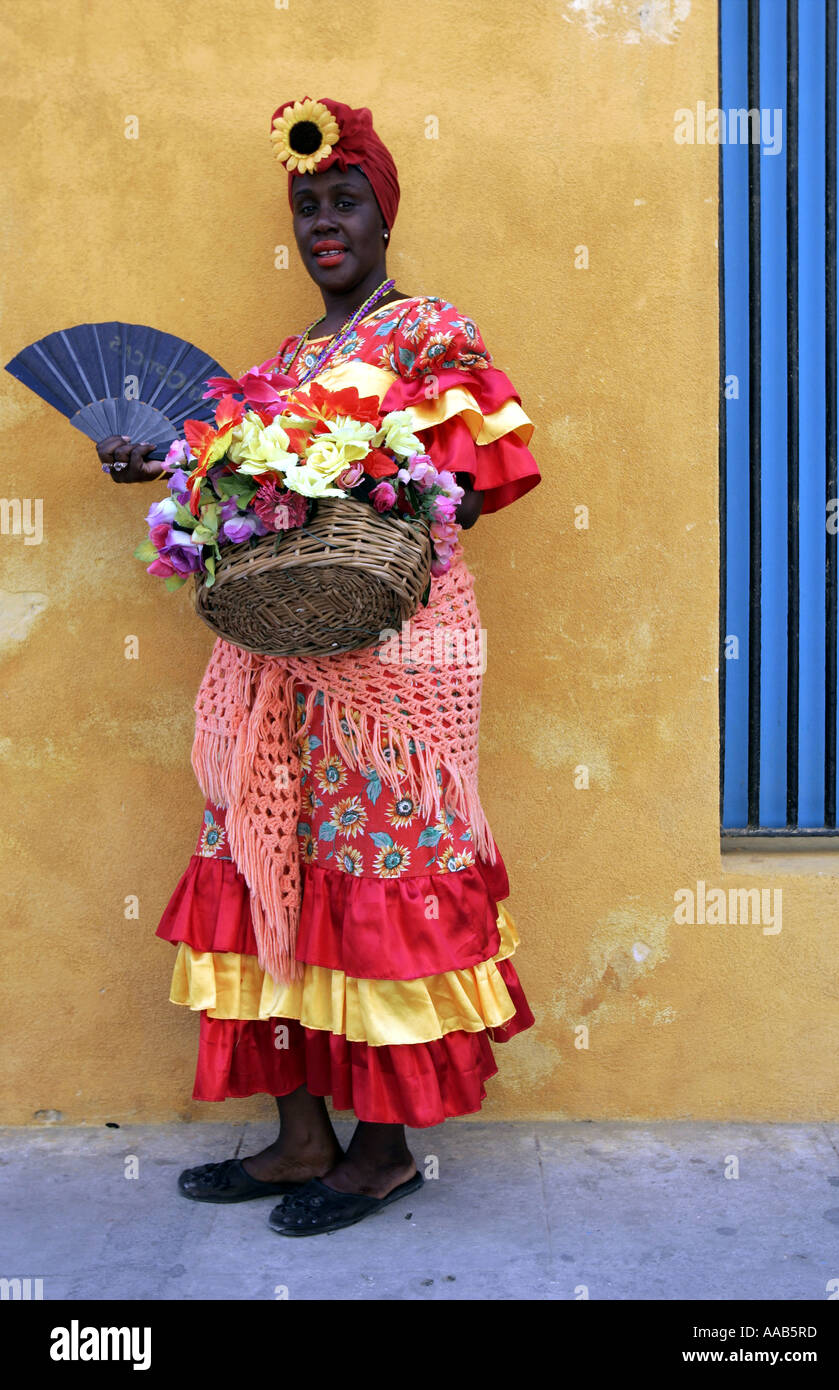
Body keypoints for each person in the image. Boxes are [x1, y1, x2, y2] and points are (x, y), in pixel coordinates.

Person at [96, 96, 541, 1237]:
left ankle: (382, 1154)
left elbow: (462, 495)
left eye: (345, 200)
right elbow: (252, 502)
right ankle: (304, 1139)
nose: (324, 221)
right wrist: (173, 468)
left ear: (385, 213)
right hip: (277, 662)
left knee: (376, 877)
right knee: (260, 862)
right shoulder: (289, 359)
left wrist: (348, 491)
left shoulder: (430, 334)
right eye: (308, 206)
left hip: (397, 661)